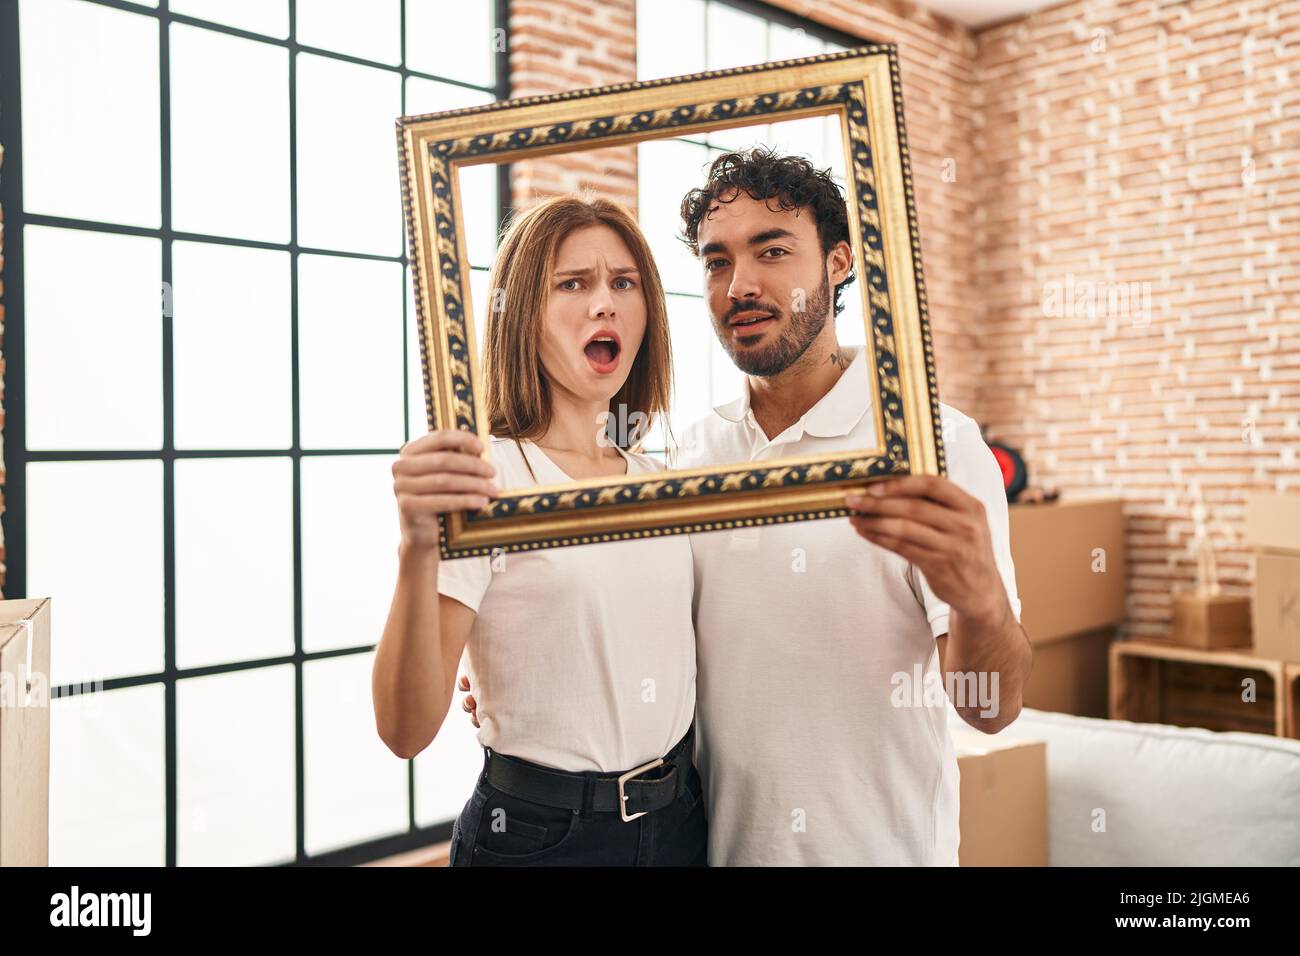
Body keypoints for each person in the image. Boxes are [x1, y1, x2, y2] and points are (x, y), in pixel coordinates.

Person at [672, 147, 1031, 865]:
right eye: (717, 261)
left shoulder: (932, 445)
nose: (740, 284)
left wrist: (983, 603)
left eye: (772, 250)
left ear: (839, 262)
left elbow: (990, 710)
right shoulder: (692, 454)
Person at [372, 194, 706, 866]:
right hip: (542, 837)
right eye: (573, 284)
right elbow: (405, 730)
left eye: (623, 283)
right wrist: (415, 548)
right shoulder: (487, 477)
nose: (604, 304)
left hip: (680, 822)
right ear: (523, 315)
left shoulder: (661, 480)